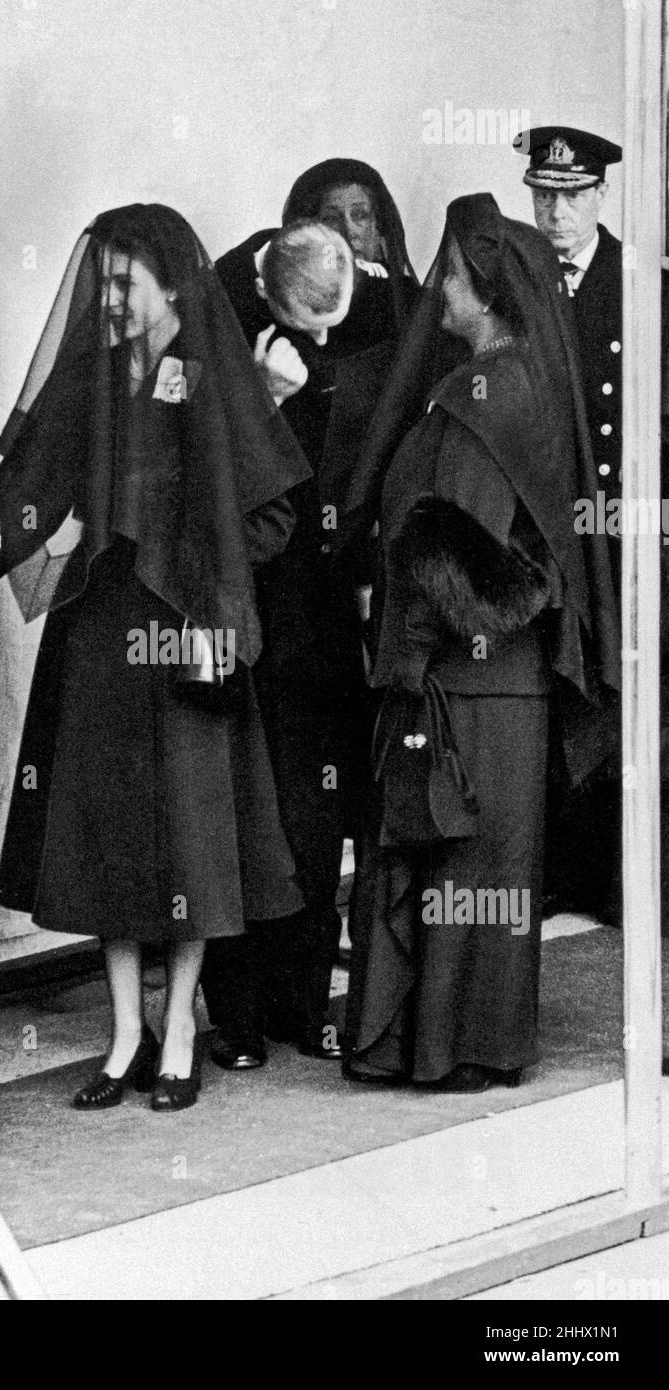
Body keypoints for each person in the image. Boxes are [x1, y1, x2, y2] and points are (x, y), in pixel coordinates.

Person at [0, 203, 310, 1112]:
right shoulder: (87, 379)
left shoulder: (214, 380)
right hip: (97, 637)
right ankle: (127, 1035)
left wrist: (212, 583)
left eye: (125, 281)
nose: (108, 297)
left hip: (187, 642)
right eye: (102, 280)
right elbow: (27, 498)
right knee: (110, 838)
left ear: (171, 284)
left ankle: (182, 1025)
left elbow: (272, 514)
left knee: (191, 842)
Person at [341, 193, 619, 1092]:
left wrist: (404, 665)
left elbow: (446, 547)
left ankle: (440, 1048)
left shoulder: (481, 400)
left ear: (485, 293)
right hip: (506, 688)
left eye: (450, 280)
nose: (439, 296)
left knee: (454, 862)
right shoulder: (528, 385)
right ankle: (472, 1044)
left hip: (462, 683)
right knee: (486, 872)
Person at [199, 164, 419, 1072]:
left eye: (366, 219)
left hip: (344, 609)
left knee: (324, 815)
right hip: (257, 603)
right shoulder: (222, 297)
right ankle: (238, 1013)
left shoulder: (389, 305)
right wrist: (265, 400)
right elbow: (197, 465)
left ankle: (301, 1002)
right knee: (254, 813)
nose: (358, 234)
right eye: (334, 217)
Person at [513, 126, 669, 928]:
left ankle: (616, 879)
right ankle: (557, 872)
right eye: (543, 195)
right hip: (547, 533)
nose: (556, 212)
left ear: (600, 196)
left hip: (620, 531)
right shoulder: (517, 282)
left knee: (619, 696)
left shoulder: (639, 283)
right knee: (552, 692)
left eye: (571, 197)